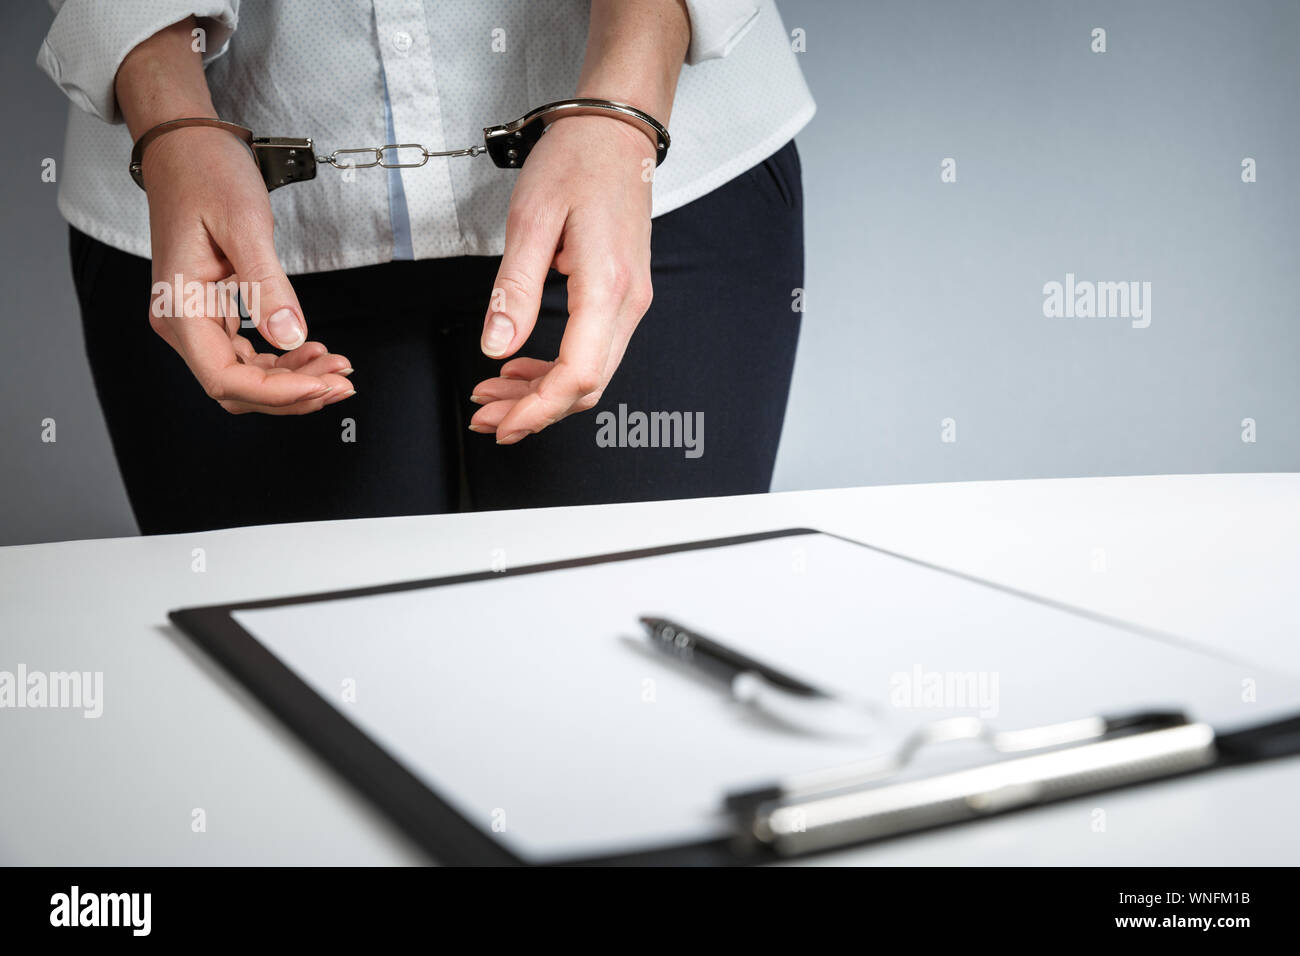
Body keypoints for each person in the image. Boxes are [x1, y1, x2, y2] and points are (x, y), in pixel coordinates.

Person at [40, 0, 814, 533]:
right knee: (296, 708)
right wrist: (169, 114)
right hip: (203, 197)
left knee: (632, 683)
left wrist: (626, 106)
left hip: (644, 172)